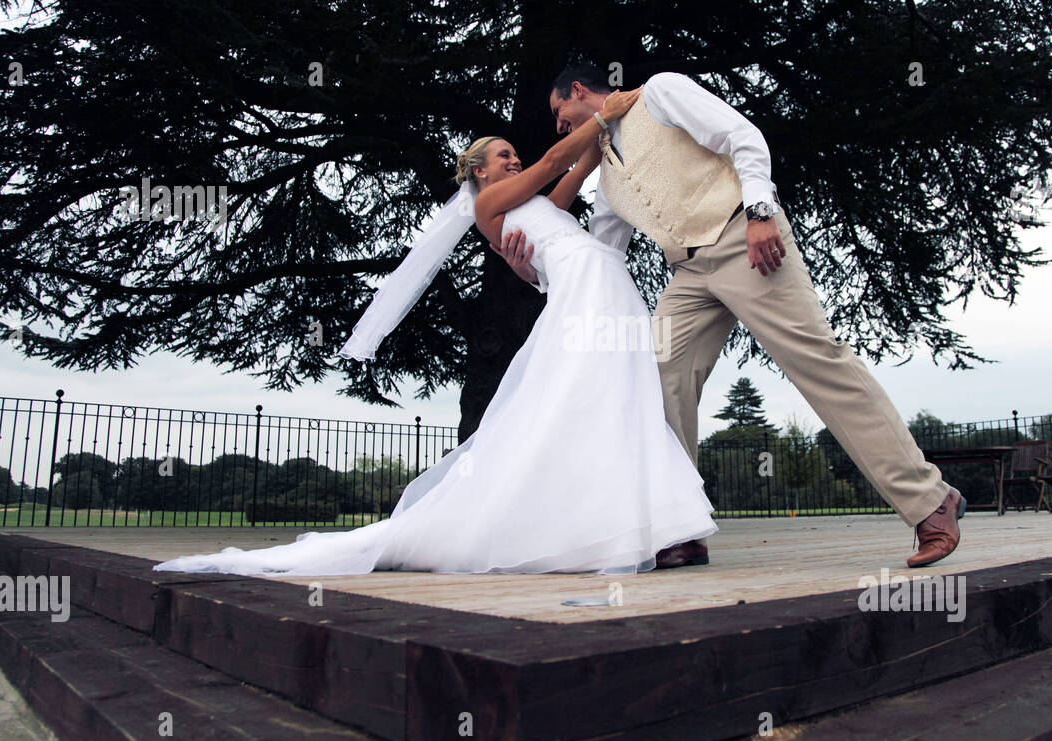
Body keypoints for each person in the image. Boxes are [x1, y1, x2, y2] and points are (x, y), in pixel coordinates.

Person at [154, 86, 718, 577]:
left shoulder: (531, 202)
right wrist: (600, 117)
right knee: (594, 399)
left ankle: (648, 526)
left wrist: (608, 134)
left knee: (618, 400)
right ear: (478, 172)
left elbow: (568, 177)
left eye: (514, 155)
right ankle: (638, 530)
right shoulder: (491, 204)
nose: (514, 160)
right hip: (586, 294)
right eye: (503, 156)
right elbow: (551, 166)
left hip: (606, 284)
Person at [500, 64, 966, 569]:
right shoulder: (607, 181)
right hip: (689, 275)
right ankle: (684, 528)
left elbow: (743, 137)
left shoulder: (660, 92)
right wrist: (534, 271)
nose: (558, 126)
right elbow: (601, 254)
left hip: (742, 236)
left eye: (558, 112)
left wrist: (760, 213)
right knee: (657, 378)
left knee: (817, 362)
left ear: (577, 91)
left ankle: (929, 499)